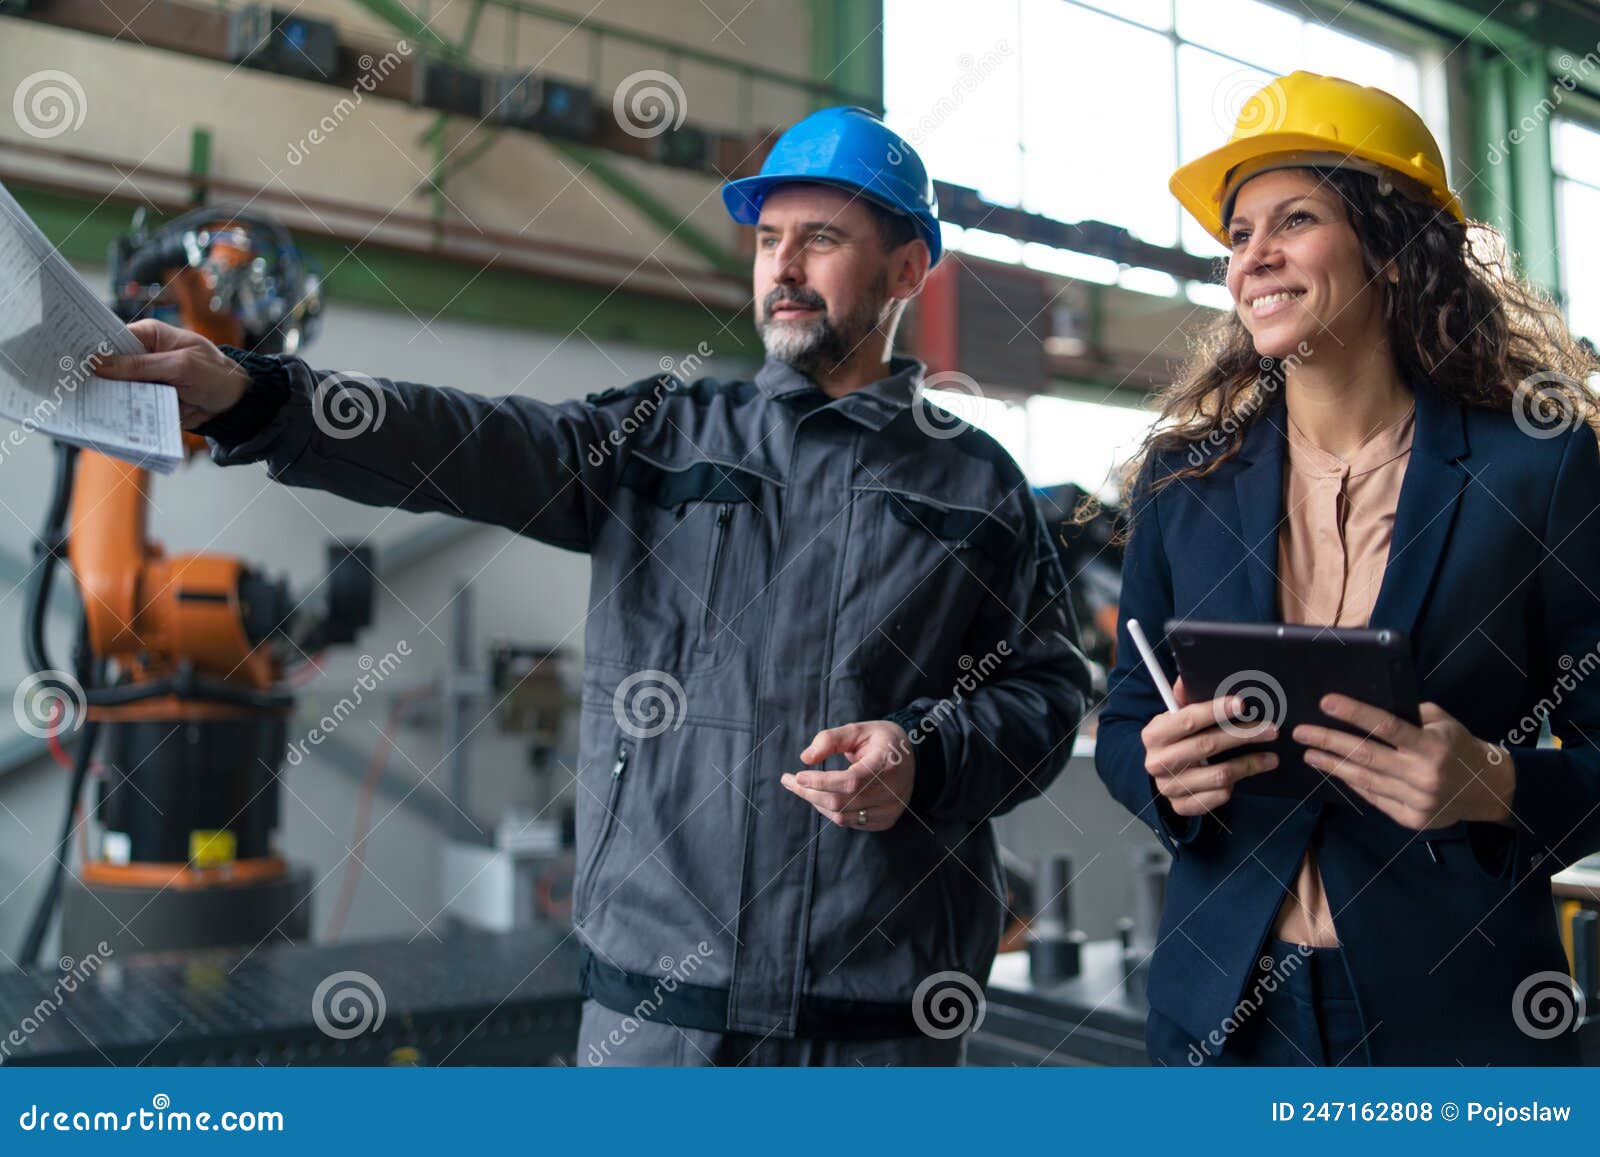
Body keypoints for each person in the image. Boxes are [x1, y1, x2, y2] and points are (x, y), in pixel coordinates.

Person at [92, 106, 1093, 1066]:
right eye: (766, 240)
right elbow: (470, 440)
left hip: (878, 1031)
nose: (782, 266)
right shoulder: (662, 440)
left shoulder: (976, 485)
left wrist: (924, 753)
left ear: (907, 267)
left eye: (820, 238)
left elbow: (1046, 693)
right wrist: (251, 393)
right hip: (658, 1024)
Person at [1095, 71, 1600, 1065]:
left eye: (1296, 220)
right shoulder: (1185, 482)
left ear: (1393, 248)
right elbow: (1125, 716)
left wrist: (1493, 782)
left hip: (1450, 1015)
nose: (1254, 257)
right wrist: (1160, 771)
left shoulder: (1536, 471)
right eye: (1239, 233)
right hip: (1220, 1013)